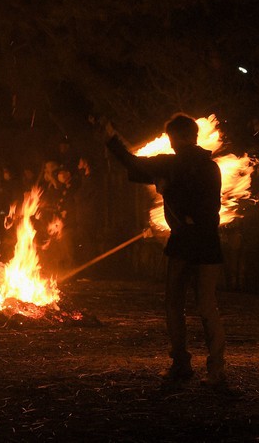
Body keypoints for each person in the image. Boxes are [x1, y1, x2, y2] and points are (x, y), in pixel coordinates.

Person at [104, 113, 227, 387]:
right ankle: (216, 370)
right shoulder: (212, 167)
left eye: (172, 138)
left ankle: (181, 365)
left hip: (184, 241)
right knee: (207, 306)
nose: (170, 143)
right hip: (208, 241)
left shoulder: (170, 165)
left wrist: (112, 139)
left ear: (178, 138)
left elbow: (131, 162)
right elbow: (208, 207)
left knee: (174, 303)